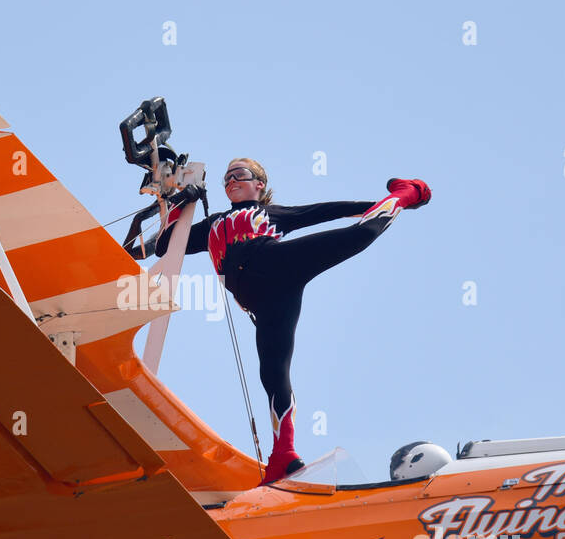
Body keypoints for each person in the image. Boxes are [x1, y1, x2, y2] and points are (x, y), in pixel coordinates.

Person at [155, 158, 430, 484]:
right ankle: (284, 457)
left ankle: (406, 195)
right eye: (226, 178)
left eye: (239, 175)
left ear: (260, 184)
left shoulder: (271, 214)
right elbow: (164, 244)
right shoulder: (212, 224)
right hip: (262, 301)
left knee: (362, 232)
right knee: (272, 372)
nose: (231, 181)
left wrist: (374, 205)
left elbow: (326, 211)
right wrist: (180, 199)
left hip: (277, 265)